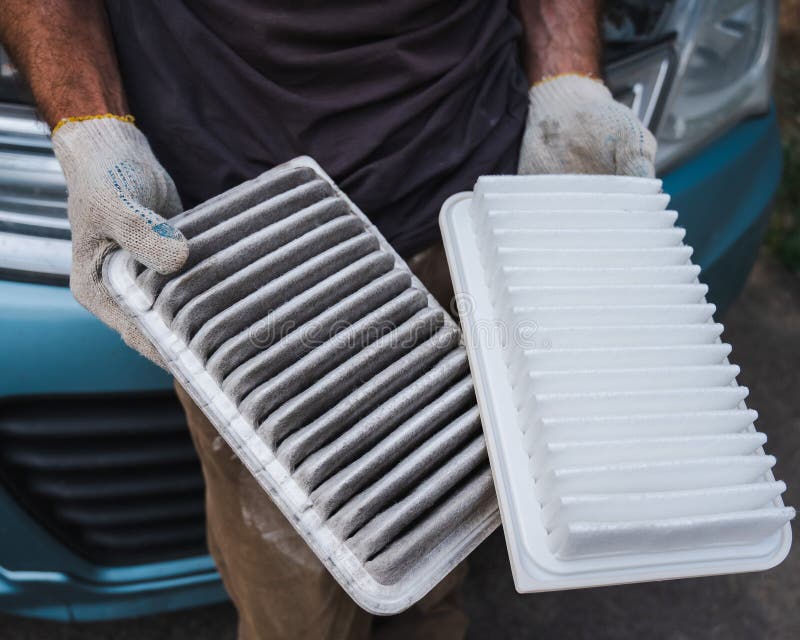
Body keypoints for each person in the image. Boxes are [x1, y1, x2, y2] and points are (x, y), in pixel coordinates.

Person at [0, 1, 656, 638]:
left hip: (460, 202)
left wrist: (567, 82)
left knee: (445, 519)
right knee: (293, 594)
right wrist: (92, 130)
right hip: (242, 243)